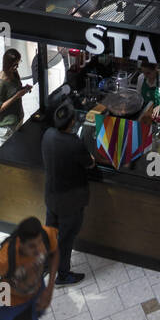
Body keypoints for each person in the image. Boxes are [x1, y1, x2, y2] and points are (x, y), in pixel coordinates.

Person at [42, 100, 95, 286]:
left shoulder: (47, 135)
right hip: (70, 202)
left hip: (51, 196)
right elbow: (90, 163)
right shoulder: (74, 143)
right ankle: (63, 275)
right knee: (65, 239)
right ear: (72, 122)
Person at [0, 48, 30, 140]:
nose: (16, 67)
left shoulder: (14, 73)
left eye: (18, 63)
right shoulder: (0, 84)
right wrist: (17, 96)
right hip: (7, 127)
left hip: (18, 120)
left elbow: (16, 90)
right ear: (7, 64)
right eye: (14, 65)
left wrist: (24, 89)